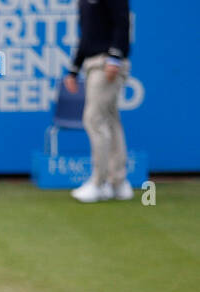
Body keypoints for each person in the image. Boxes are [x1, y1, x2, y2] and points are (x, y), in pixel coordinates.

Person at [66, 0, 132, 203]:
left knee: (94, 119)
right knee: (110, 120)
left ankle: (99, 182)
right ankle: (118, 183)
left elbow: (122, 23)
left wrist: (115, 57)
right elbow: (86, 35)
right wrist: (74, 69)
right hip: (92, 63)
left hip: (107, 63)